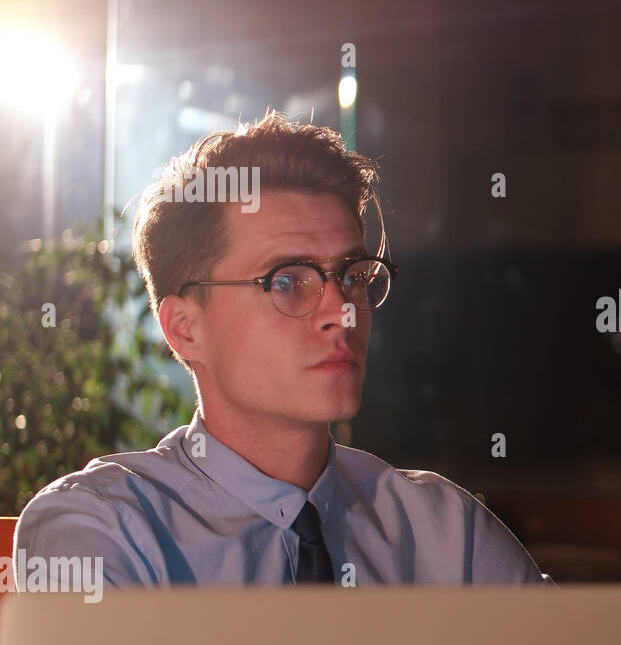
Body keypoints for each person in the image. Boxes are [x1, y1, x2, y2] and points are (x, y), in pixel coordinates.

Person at [14, 111, 553, 587]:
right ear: (183, 329)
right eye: (286, 281)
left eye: (353, 276)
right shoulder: (106, 526)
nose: (342, 310)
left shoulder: (440, 531)